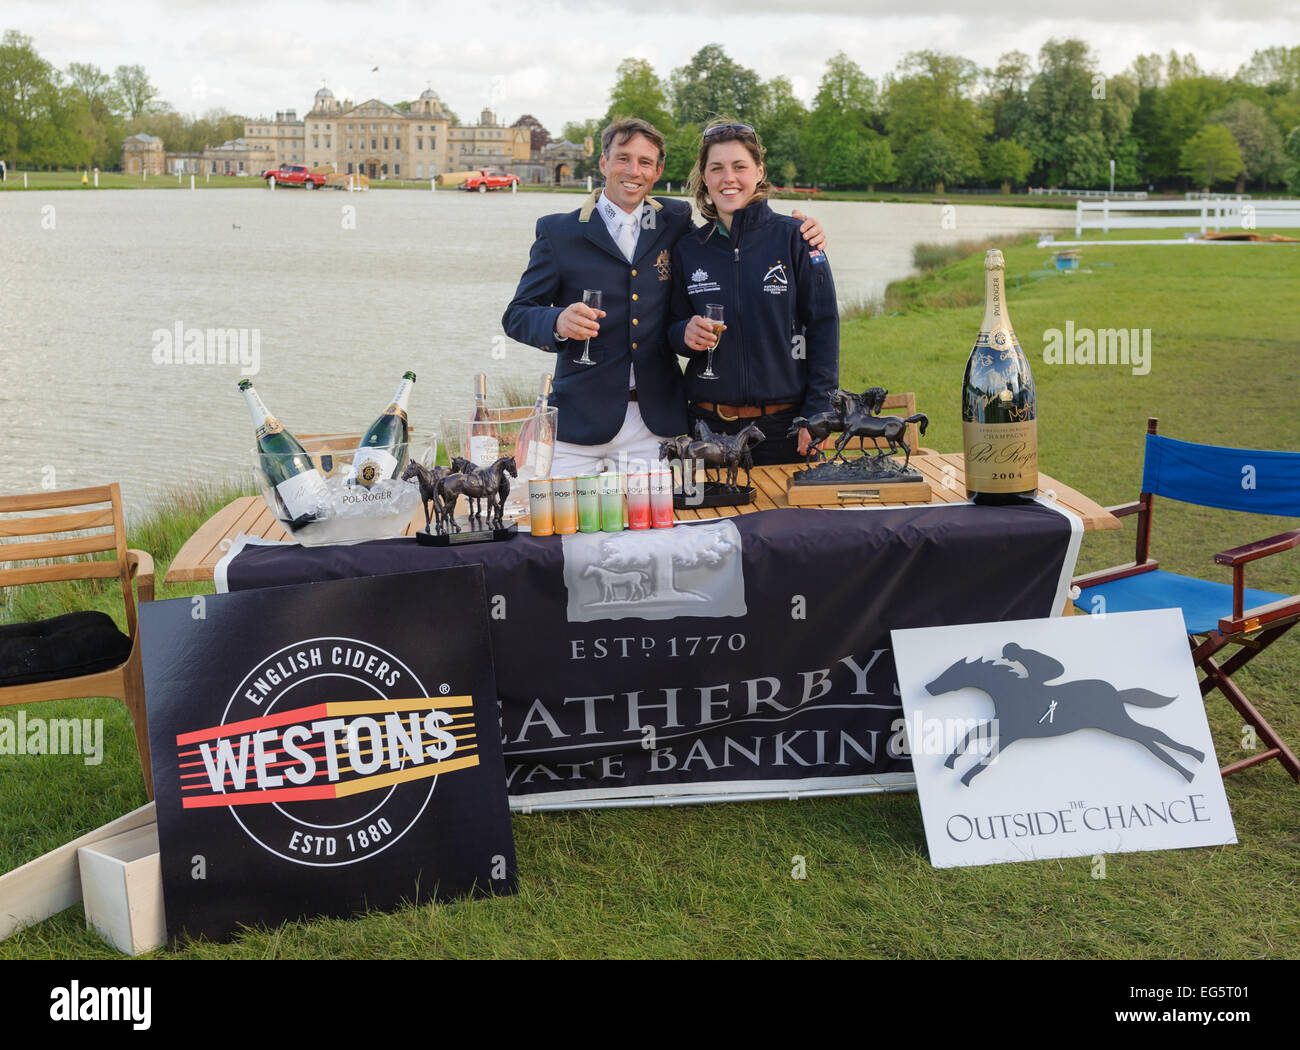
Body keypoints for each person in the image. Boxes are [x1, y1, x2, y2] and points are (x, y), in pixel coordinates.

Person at [502, 117, 825, 478]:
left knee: (652, 532)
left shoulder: (675, 221)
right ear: (603, 163)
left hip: (654, 426)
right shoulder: (558, 231)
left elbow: (728, 245)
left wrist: (804, 232)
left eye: (645, 162)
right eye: (623, 159)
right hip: (578, 422)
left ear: (658, 171)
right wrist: (557, 322)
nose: (633, 171)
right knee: (560, 530)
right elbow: (517, 315)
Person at [668, 122, 839, 465]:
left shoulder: (797, 238)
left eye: (739, 167)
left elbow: (823, 326)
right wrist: (684, 334)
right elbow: (671, 328)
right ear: (704, 176)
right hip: (707, 429)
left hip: (785, 428)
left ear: (759, 172)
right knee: (711, 520)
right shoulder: (688, 248)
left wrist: (818, 413)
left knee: (788, 520)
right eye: (716, 168)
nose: (728, 177)